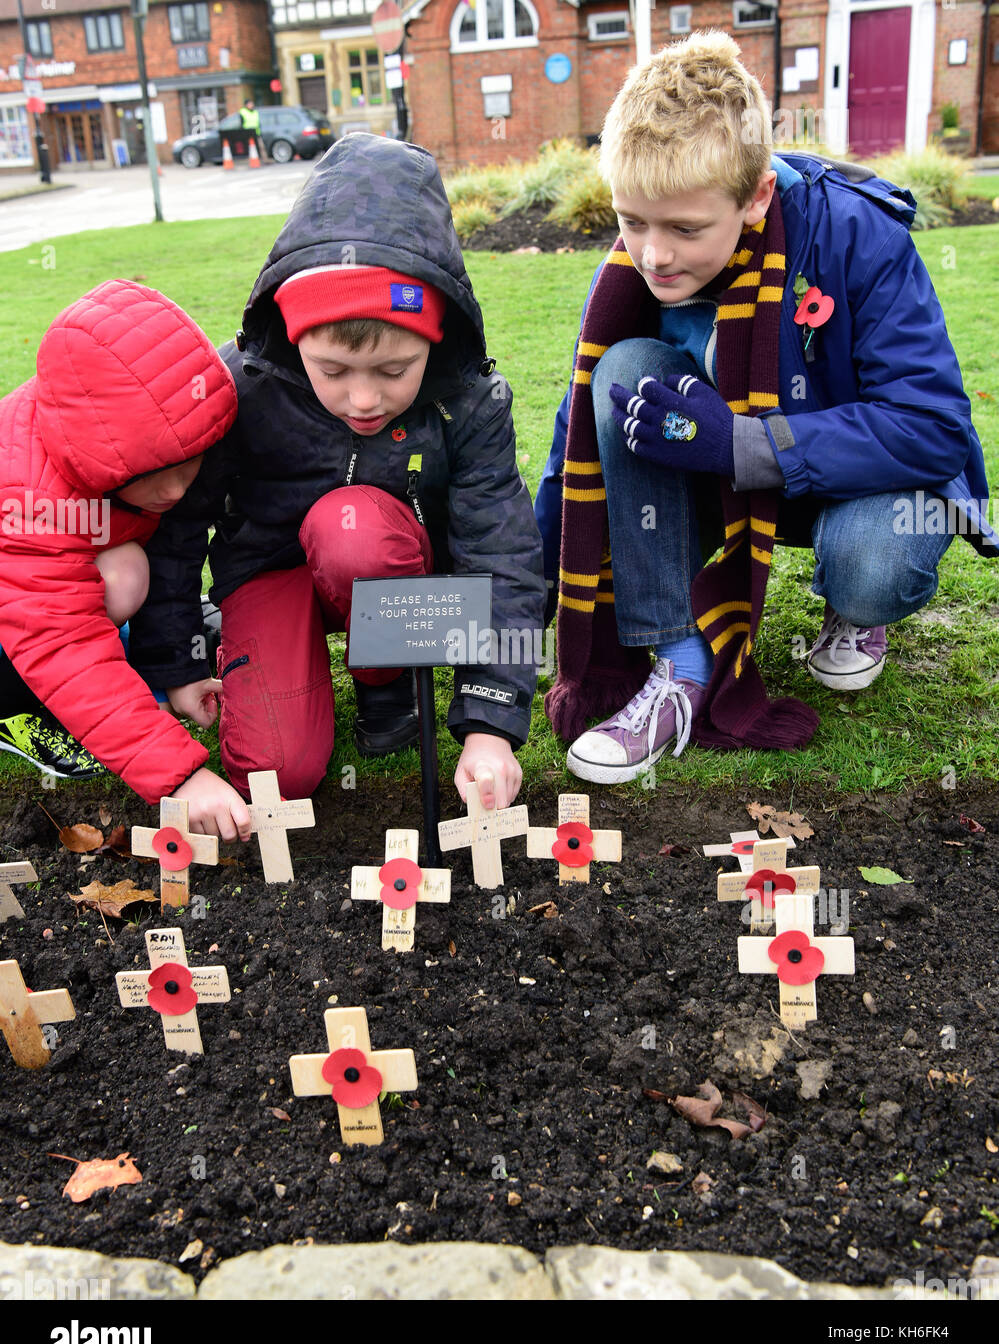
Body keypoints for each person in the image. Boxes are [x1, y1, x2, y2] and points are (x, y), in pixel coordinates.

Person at [536, 30, 995, 785]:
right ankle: (683, 664)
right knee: (622, 374)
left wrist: (744, 445)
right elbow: (576, 434)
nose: (652, 256)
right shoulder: (642, 258)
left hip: (868, 485)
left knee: (869, 565)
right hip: (732, 480)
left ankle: (854, 607)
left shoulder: (858, 236)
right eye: (631, 222)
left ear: (755, 196)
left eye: (685, 229)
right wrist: (528, 589)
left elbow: (933, 428)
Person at [129, 133, 546, 811]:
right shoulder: (238, 387)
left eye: (392, 371)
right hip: (273, 572)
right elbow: (176, 530)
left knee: (352, 525)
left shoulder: (467, 401)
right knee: (278, 777)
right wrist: (176, 665)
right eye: (333, 371)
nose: (362, 400)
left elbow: (502, 554)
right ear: (294, 338)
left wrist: (490, 727)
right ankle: (247, 644)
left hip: (403, 579)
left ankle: (386, 687)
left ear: (433, 338)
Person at [0, 279, 253, 842]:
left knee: (129, 571)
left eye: (189, 468)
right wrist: (180, 775)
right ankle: (18, 711)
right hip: (21, 624)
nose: (178, 492)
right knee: (118, 581)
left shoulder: (115, 430)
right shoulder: (31, 499)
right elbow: (63, 645)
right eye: (155, 479)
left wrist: (178, 673)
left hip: (41, 594)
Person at [238, 97, 266, 161]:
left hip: (256, 132)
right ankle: (251, 161)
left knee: (261, 147)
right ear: (246, 105)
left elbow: (258, 122)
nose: (251, 105)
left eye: (252, 103)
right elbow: (241, 124)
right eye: (250, 104)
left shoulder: (255, 112)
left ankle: (264, 160)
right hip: (248, 133)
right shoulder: (243, 112)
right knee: (250, 148)